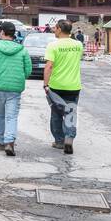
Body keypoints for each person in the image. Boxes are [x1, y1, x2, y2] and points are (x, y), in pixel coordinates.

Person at [0, 21, 31, 157]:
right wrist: (19, 78)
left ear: (2, 32)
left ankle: (0, 141)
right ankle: (9, 141)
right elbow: (28, 70)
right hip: (15, 88)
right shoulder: (22, 50)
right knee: (11, 116)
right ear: (13, 34)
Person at [43, 20, 83, 154]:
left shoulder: (53, 46)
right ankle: (69, 138)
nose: (54, 30)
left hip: (56, 86)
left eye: (55, 28)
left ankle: (59, 141)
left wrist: (45, 84)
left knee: (56, 114)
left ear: (59, 29)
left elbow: (49, 66)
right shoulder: (78, 45)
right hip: (73, 85)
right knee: (71, 112)